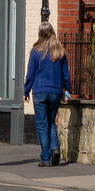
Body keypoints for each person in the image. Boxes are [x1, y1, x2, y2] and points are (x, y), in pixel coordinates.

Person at [23, 22, 71, 167]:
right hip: (56, 92)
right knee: (51, 122)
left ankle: (45, 157)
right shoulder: (60, 50)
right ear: (52, 32)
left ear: (40, 34)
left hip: (39, 92)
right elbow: (66, 75)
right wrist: (66, 89)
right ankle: (55, 148)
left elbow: (30, 74)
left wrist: (26, 90)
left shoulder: (35, 51)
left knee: (42, 124)